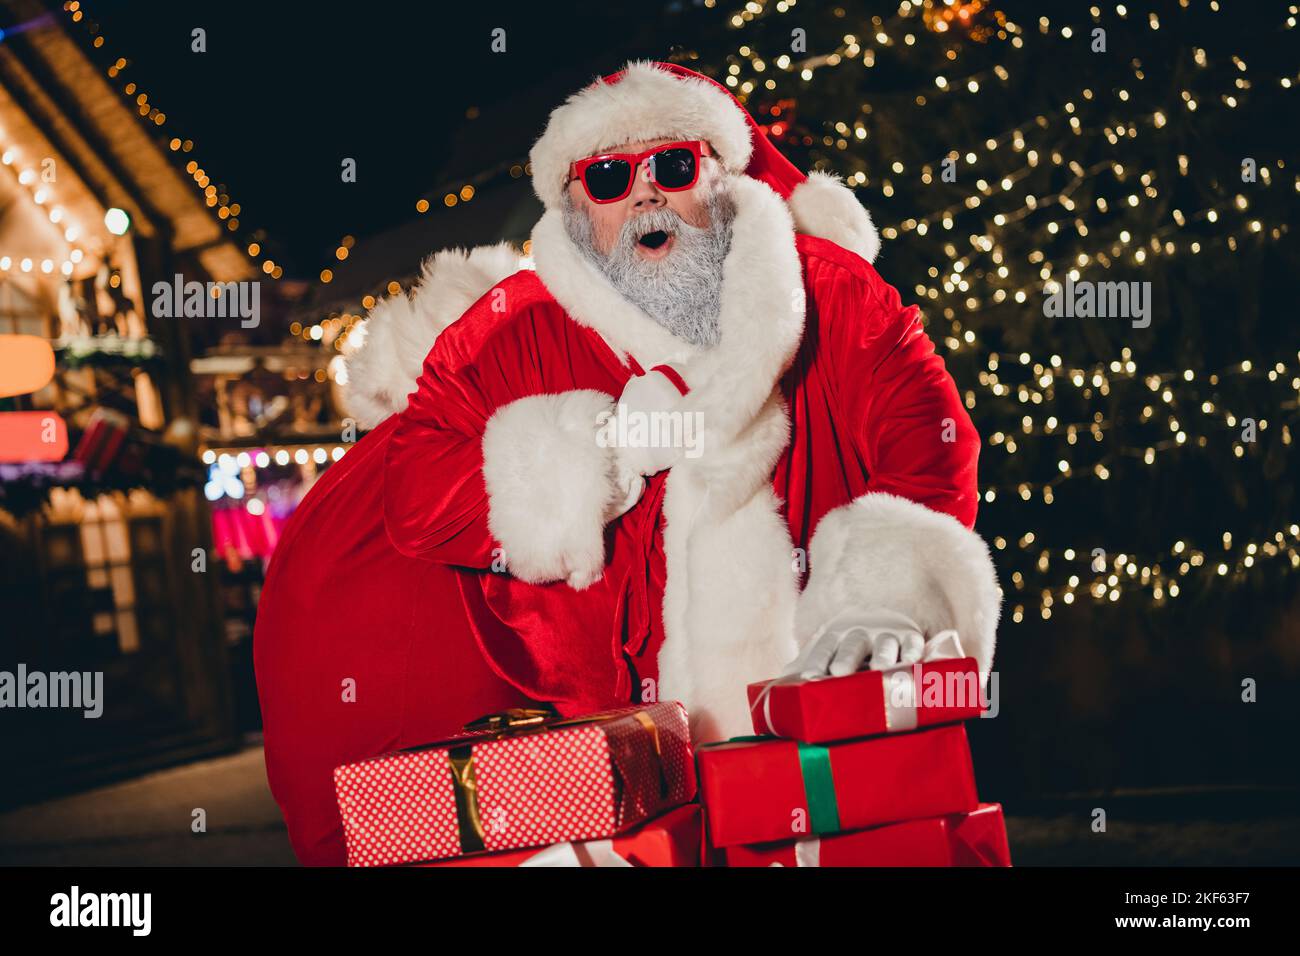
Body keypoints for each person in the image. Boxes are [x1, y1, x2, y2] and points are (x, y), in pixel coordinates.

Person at [255, 61, 1001, 866]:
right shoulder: (513, 334)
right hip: (628, 773)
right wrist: (607, 451)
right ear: (578, 211)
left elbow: (929, 449)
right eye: (610, 178)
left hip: (811, 734)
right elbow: (418, 492)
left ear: (718, 176)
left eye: (672, 166)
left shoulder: (834, 295)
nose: (645, 194)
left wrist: (886, 599)